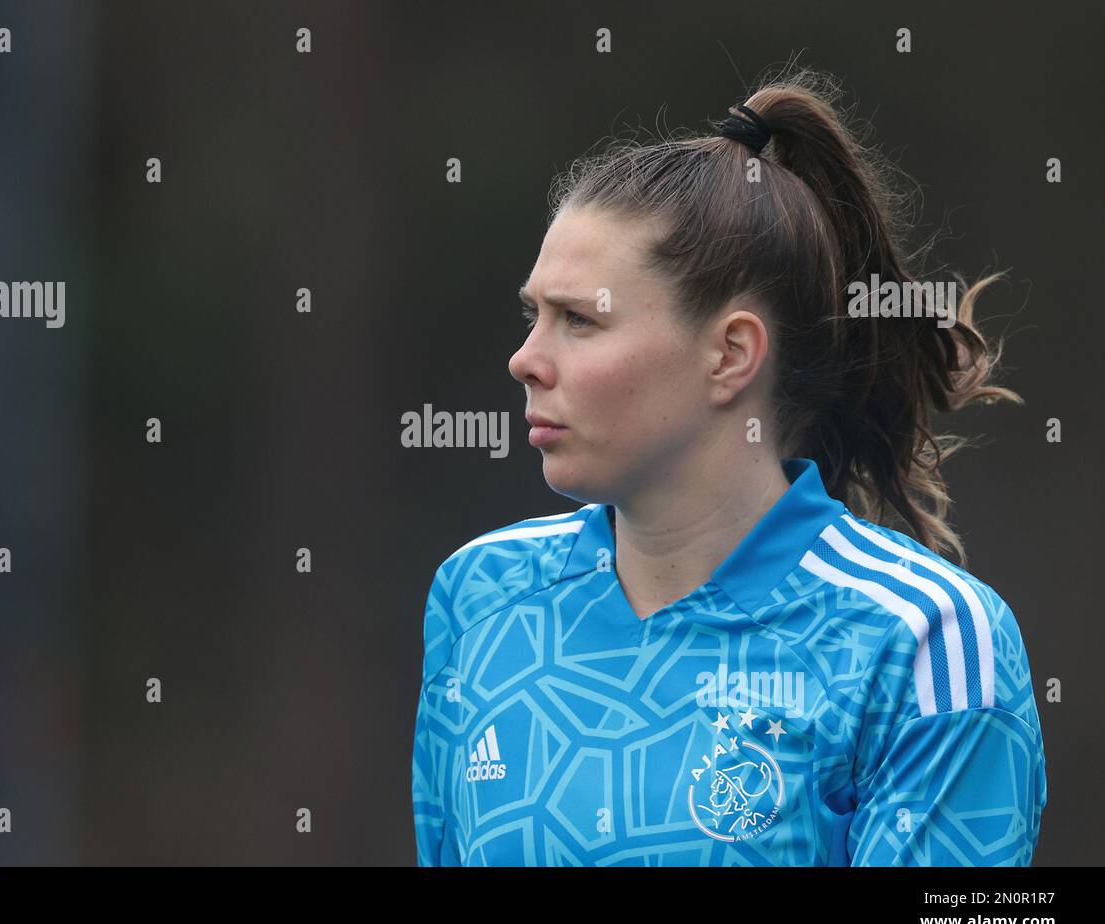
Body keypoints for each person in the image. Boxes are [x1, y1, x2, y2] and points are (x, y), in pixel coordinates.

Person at [410, 67, 1047, 866]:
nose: (524, 360)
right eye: (532, 315)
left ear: (731, 355)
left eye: (578, 320)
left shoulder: (924, 640)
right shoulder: (479, 596)